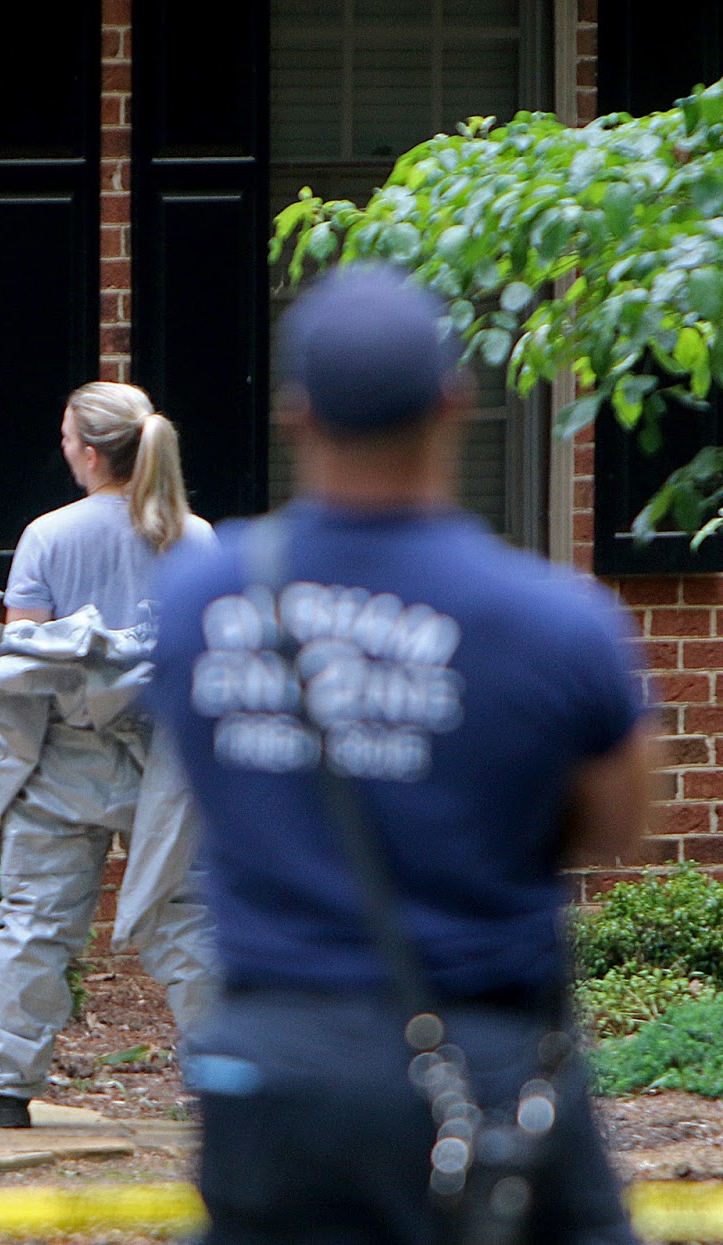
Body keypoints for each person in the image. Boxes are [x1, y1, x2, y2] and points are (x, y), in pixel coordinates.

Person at [148, 266, 651, 1243]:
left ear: (295, 415)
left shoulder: (195, 602)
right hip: (483, 1061)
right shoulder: (555, 623)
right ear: (454, 404)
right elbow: (618, 828)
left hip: (268, 1067)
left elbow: (213, 774)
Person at [0, 381, 218, 1129]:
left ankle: (8, 1090)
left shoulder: (48, 535)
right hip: (168, 762)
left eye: (66, 437)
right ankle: (223, 1083)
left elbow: (25, 667)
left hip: (63, 756)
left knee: (35, 924)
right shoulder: (197, 539)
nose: (64, 449)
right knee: (190, 919)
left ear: (88, 451)